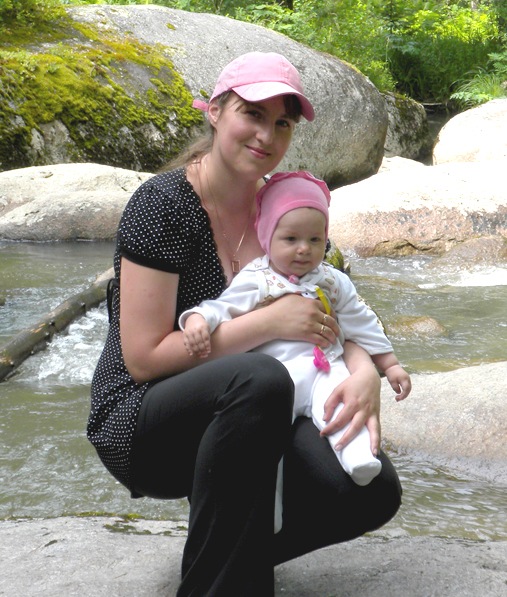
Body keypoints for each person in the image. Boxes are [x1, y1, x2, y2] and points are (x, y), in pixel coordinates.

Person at [88, 51, 404, 596]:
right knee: (259, 377)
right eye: (252, 114)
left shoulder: (285, 210)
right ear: (215, 112)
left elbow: (331, 308)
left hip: (259, 410)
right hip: (145, 415)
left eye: (282, 123)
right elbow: (142, 359)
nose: (266, 135)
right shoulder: (162, 206)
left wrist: (364, 372)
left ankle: (221, 562)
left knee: (370, 490)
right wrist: (268, 323)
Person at [179, 170, 411, 532]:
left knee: (342, 408)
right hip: (276, 377)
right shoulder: (258, 279)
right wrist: (196, 319)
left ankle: (358, 457)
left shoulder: (332, 281)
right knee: (264, 441)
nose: (303, 249)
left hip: (325, 369)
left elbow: (361, 322)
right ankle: (265, 508)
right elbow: (223, 308)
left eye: (314, 239)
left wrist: (389, 364)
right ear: (267, 236)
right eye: (290, 239)